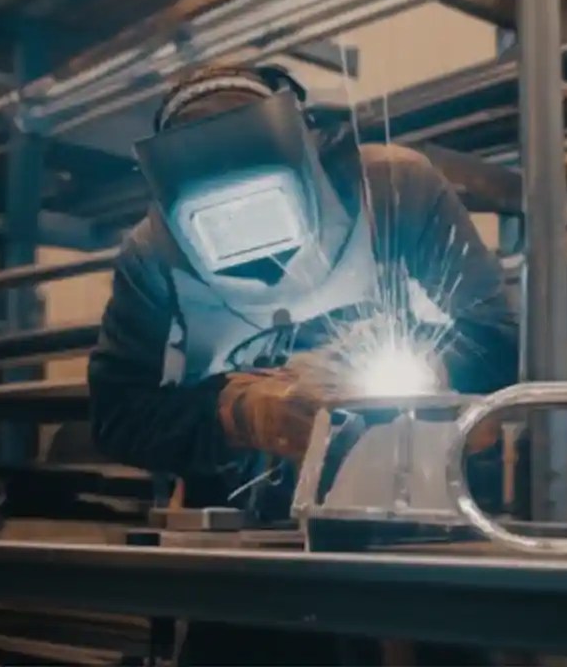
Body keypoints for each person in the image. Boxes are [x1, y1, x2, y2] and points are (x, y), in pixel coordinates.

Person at [87, 64, 518, 665]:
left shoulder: (395, 192)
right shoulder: (152, 256)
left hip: (423, 525)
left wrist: (427, 373)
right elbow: (117, 412)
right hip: (248, 547)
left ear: (310, 167)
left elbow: (499, 347)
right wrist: (236, 411)